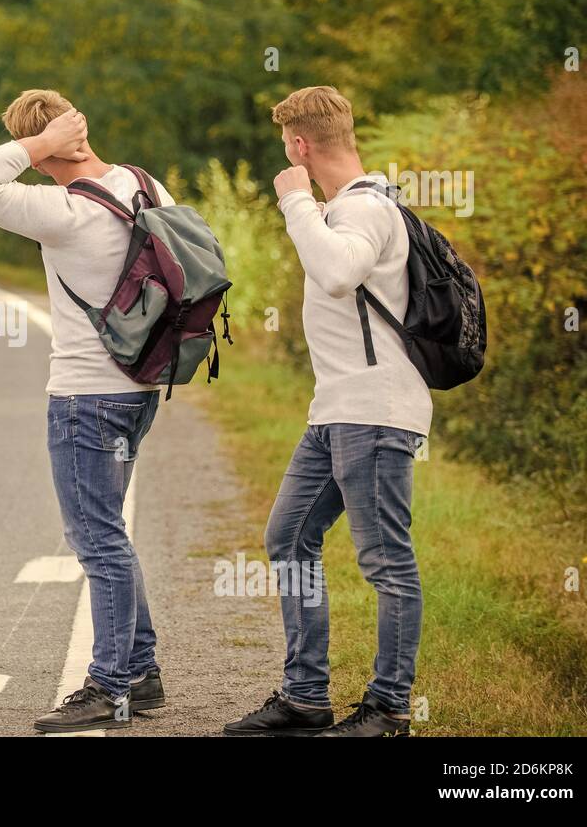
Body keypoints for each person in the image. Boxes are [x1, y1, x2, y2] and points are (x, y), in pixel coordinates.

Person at [0, 89, 173, 732]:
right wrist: (57, 140)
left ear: (44, 154)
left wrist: (36, 148)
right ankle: (142, 670)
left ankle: (109, 686)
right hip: (139, 390)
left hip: (85, 395)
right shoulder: (143, 183)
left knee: (98, 541)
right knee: (112, 535)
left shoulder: (60, 209)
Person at [224, 86, 430, 737]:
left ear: (299, 144)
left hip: (373, 410)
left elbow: (338, 274)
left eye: (286, 143)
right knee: (288, 538)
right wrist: (311, 210)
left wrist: (292, 199)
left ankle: (388, 708)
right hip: (336, 410)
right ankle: (306, 697)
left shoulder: (367, 206)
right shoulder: (346, 206)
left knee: (385, 562)